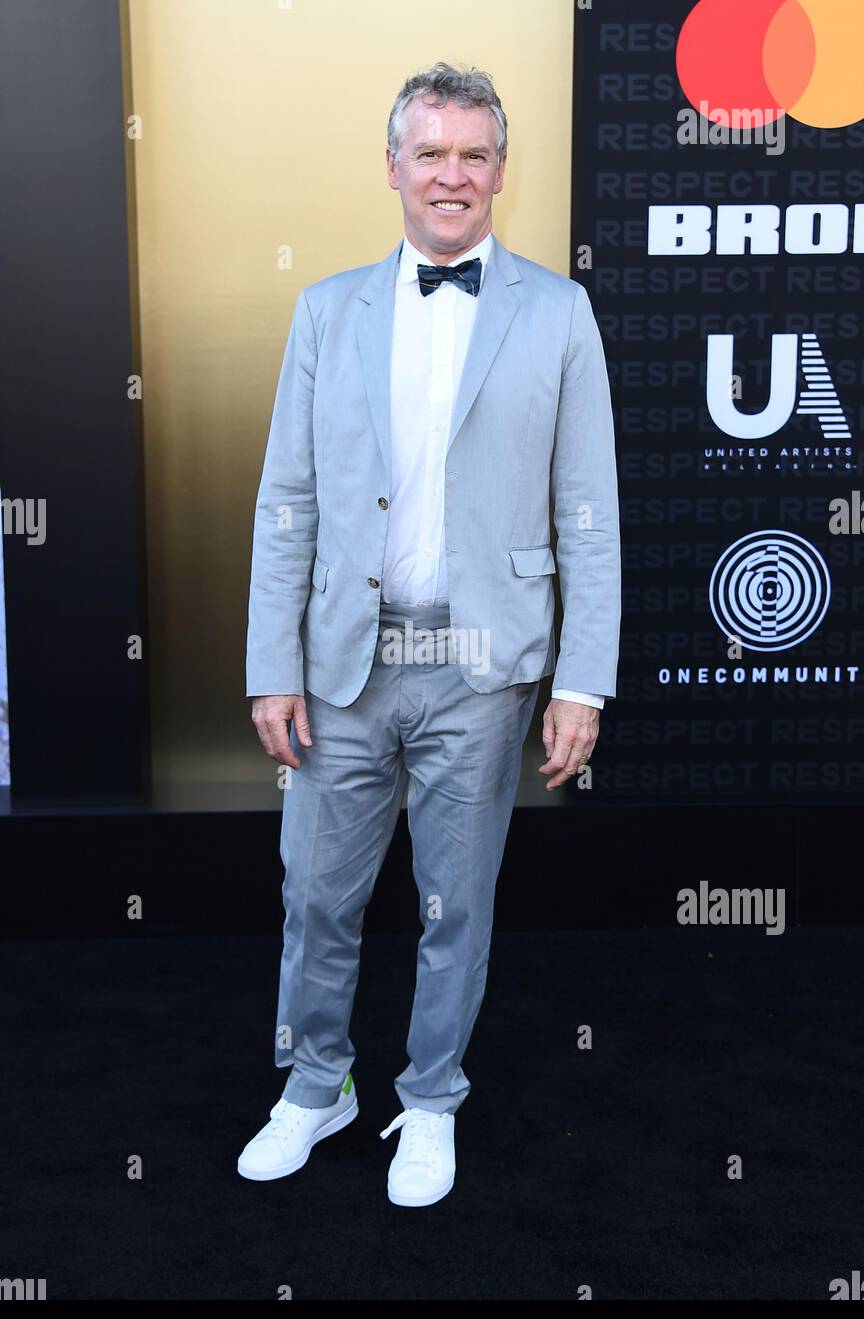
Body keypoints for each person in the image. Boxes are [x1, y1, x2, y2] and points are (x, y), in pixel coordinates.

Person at [237, 62, 620, 1206]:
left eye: (474, 154)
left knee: (458, 903)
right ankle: (317, 1086)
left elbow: (587, 511)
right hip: (344, 663)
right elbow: (285, 501)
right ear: (394, 166)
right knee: (317, 893)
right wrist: (273, 664)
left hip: (484, 670)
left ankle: (433, 1095)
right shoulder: (327, 309)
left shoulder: (559, 311)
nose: (452, 175)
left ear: (500, 170)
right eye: (431, 152)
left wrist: (581, 683)